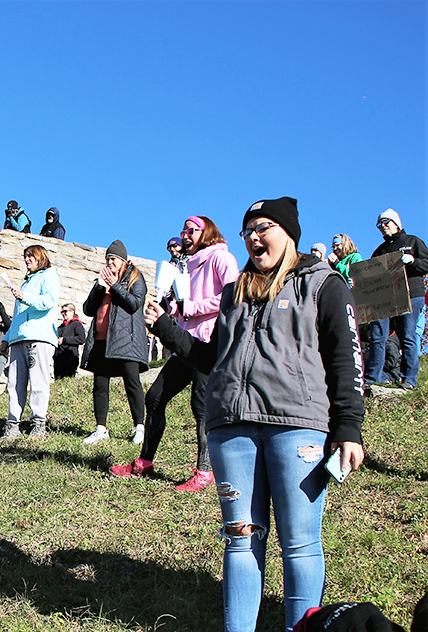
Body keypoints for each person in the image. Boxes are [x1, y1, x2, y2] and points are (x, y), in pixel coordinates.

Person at [146, 196, 365, 632]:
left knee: (299, 543)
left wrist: (349, 427)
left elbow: (346, 357)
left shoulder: (323, 283)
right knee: (240, 541)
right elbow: (214, 359)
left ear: (289, 233)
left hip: (297, 427)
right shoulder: (236, 292)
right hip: (230, 428)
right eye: (248, 230)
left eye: (264, 227)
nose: (253, 237)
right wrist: (167, 329)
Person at [111, 216, 238, 491]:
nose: (184, 236)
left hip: (208, 344)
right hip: (184, 345)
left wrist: (190, 307)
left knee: (201, 407)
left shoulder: (222, 259)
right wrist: (166, 311)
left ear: (206, 233)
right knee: (155, 397)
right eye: (183, 231)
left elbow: (232, 298)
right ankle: (145, 462)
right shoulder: (186, 266)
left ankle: (204, 472)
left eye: (190, 231)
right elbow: (182, 305)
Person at [80, 240, 148, 444]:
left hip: (126, 340)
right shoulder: (103, 280)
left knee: (132, 382)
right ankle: (101, 428)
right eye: (107, 259)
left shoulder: (134, 277)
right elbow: (88, 309)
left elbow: (135, 303)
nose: (110, 263)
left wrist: (115, 286)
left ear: (123, 261)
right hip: (101, 340)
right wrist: (100, 288)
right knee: (100, 384)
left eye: (114, 259)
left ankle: (140, 427)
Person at [364, 208, 428, 390]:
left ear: (396, 223)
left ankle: (409, 379)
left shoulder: (413, 242)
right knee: (377, 336)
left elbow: (427, 263)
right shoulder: (380, 251)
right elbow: (370, 276)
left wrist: (413, 261)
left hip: (410, 294)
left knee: (407, 335)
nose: (382, 227)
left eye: (386, 222)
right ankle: (372, 378)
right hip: (385, 297)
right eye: (379, 224)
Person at [2, 244, 60, 438]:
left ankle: (38, 423)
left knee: (38, 381)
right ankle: (13, 423)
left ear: (41, 257)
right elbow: (18, 315)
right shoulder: (26, 283)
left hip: (39, 337)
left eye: (31, 256)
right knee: (14, 383)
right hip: (18, 338)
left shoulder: (49, 276)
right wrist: (6, 338)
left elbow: (49, 301)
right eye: (25, 256)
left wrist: (25, 296)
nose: (27, 259)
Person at [53, 303, 86, 379]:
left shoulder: (77, 324)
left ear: (72, 311)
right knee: (58, 382)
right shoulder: (60, 327)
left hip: (70, 358)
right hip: (58, 359)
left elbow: (81, 339)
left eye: (65, 311)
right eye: (62, 312)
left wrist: (64, 340)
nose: (63, 314)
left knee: (67, 381)